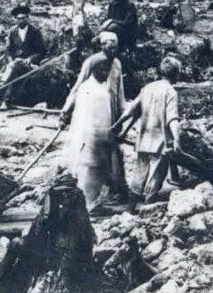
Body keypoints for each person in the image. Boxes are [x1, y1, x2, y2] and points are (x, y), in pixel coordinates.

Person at [115, 56, 183, 201]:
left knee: (140, 173)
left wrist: (118, 128)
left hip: (144, 138)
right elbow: (172, 118)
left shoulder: (147, 88)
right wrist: (177, 140)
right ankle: (148, 206)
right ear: (175, 74)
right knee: (157, 176)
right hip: (161, 142)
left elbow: (131, 111)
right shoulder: (170, 91)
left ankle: (131, 207)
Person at [62, 54, 118, 208]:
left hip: (98, 136)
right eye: (102, 70)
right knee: (89, 170)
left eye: (107, 70)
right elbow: (90, 117)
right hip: (91, 136)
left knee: (99, 170)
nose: (105, 73)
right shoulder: (90, 89)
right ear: (94, 70)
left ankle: (93, 202)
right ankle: (87, 203)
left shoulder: (99, 87)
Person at [0, 6, 48, 108]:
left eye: (23, 18)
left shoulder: (35, 31)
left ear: (27, 18)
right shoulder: (12, 31)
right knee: (15, 66)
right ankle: (3, 91)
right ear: (15, 19)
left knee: (17, 67)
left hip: (30, 64)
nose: (21, 20)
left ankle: (5, 99)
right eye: (19, 18)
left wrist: (30, 59)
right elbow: (8, 50)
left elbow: (41, 51)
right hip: (15, 62)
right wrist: (11, 61)